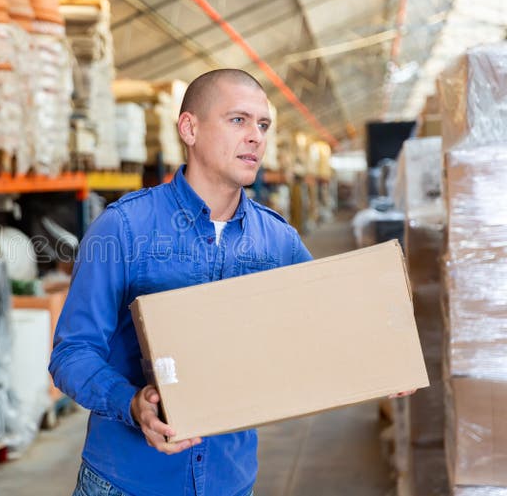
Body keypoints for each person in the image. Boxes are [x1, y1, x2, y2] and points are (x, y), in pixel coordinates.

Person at [49, 68, 406, 496]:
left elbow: (324, 327)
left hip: (229, 481)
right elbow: (72, 353)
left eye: (263, 125)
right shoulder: (124, 227)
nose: (255, 136)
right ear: (190, 128)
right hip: (129, 482)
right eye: (238, 120)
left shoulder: (278, 241)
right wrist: (131, 404)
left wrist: (382, 357)